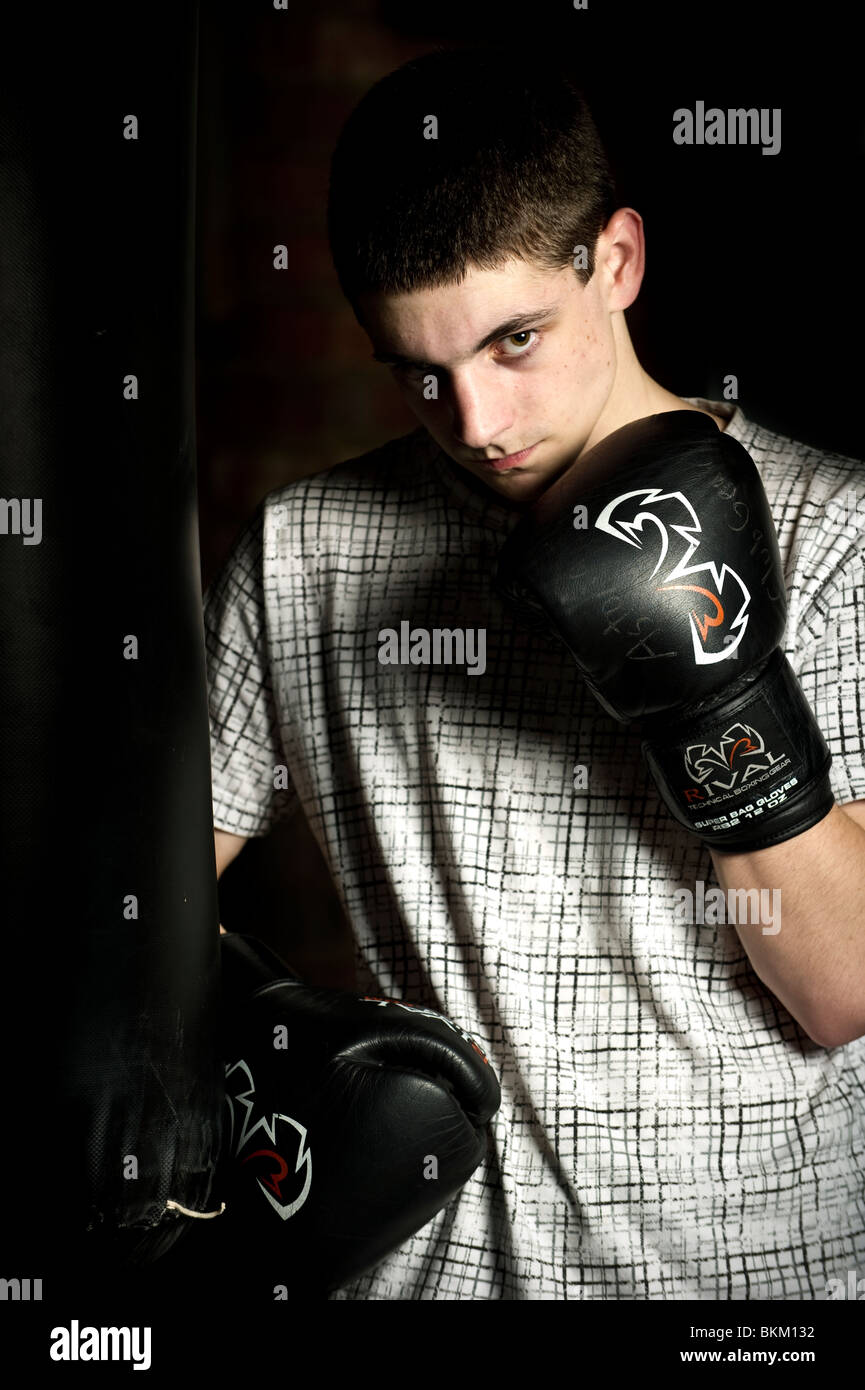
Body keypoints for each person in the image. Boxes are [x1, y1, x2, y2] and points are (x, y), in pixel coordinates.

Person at [203, 44, 865, 1299]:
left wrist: (714, 693)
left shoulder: (841, 535)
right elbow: (131, 899)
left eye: (515, 341)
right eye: (421, 375)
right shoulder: (309, 552)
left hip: (746, 1297)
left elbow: (845, 988)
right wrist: (243, 1049)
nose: (479, 424)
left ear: (613, 260)